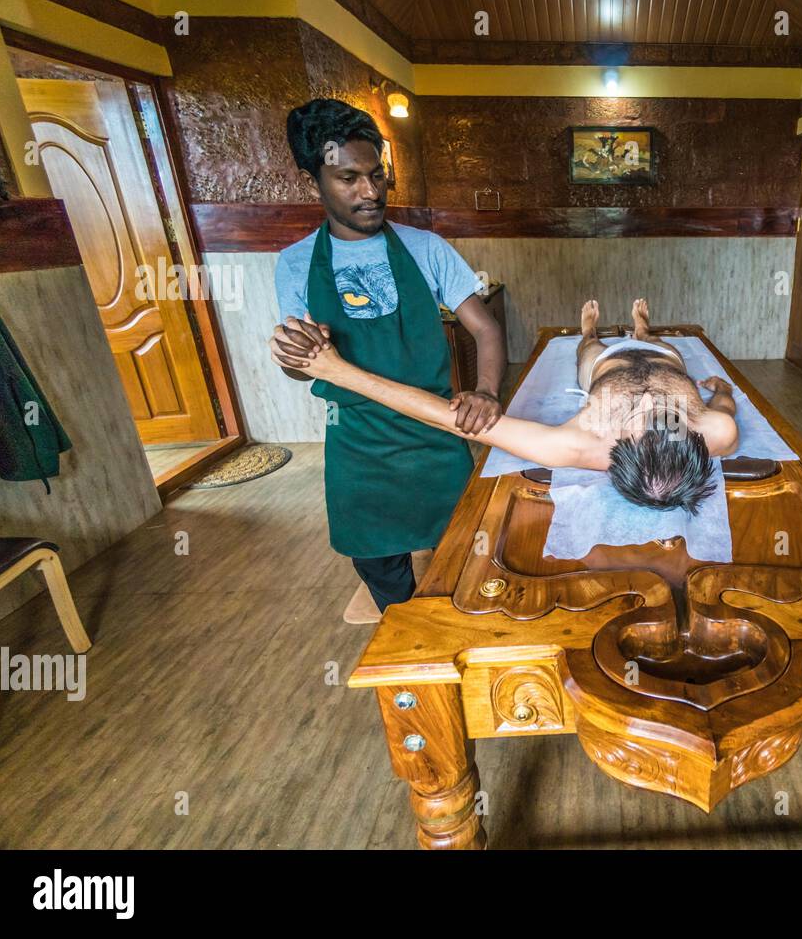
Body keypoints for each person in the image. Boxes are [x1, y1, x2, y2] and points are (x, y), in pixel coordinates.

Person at [268, 98, 506, 613]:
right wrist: (295, 354)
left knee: (466, 551)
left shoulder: (426, 248)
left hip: (434, 431)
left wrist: (486, 392)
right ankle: (408, 648)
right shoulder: (296, 264)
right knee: (381, 568)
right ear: (316, 182)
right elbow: (300, 364)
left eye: (377, 175)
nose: (370, 192)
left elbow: (485, 329)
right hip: (357, 446)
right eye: (349, 178)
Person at [273, 298, 740, 515]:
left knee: (587, 354)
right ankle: (642, 329)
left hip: (604, 370)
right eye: (671, 420)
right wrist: (723, 389)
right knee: (658, 345)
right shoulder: (715, 432)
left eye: (650, 420)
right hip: (664, 359)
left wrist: (336, 371)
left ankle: (589, 335)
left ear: (623, 448)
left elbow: (449, 419)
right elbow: (724, 405)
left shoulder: (578, 445)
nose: (658, 408)